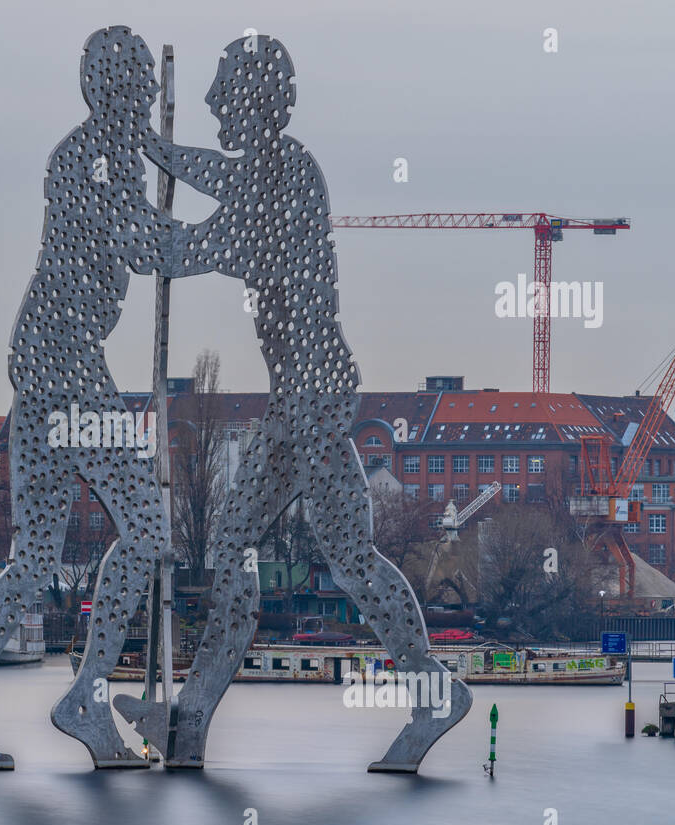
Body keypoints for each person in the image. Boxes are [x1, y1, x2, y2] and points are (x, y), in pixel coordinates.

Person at [114, 35, 472, 771]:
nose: (212, 102)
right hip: (297, 400)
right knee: (242, 552)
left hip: (312, 398)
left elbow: (183, 251)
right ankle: (188, 725)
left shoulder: (284, 176)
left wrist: (112, 207)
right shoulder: (274, 171)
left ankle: (431, 690)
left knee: (343, 559)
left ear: (256, 98)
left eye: (224, 90)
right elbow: (214, 174)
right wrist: (152, 145)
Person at [0, 26, 179, 770]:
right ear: (108, 92)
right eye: (136, 93)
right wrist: (229, 240)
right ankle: (87, 701)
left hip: (48, 367)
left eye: (147, 97)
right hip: (64, 370)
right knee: (150, 531)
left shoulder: (98, 156)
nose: (142, 105)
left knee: (32, 564)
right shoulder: (93, 160)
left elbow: (143, 238)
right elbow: (144, 243)